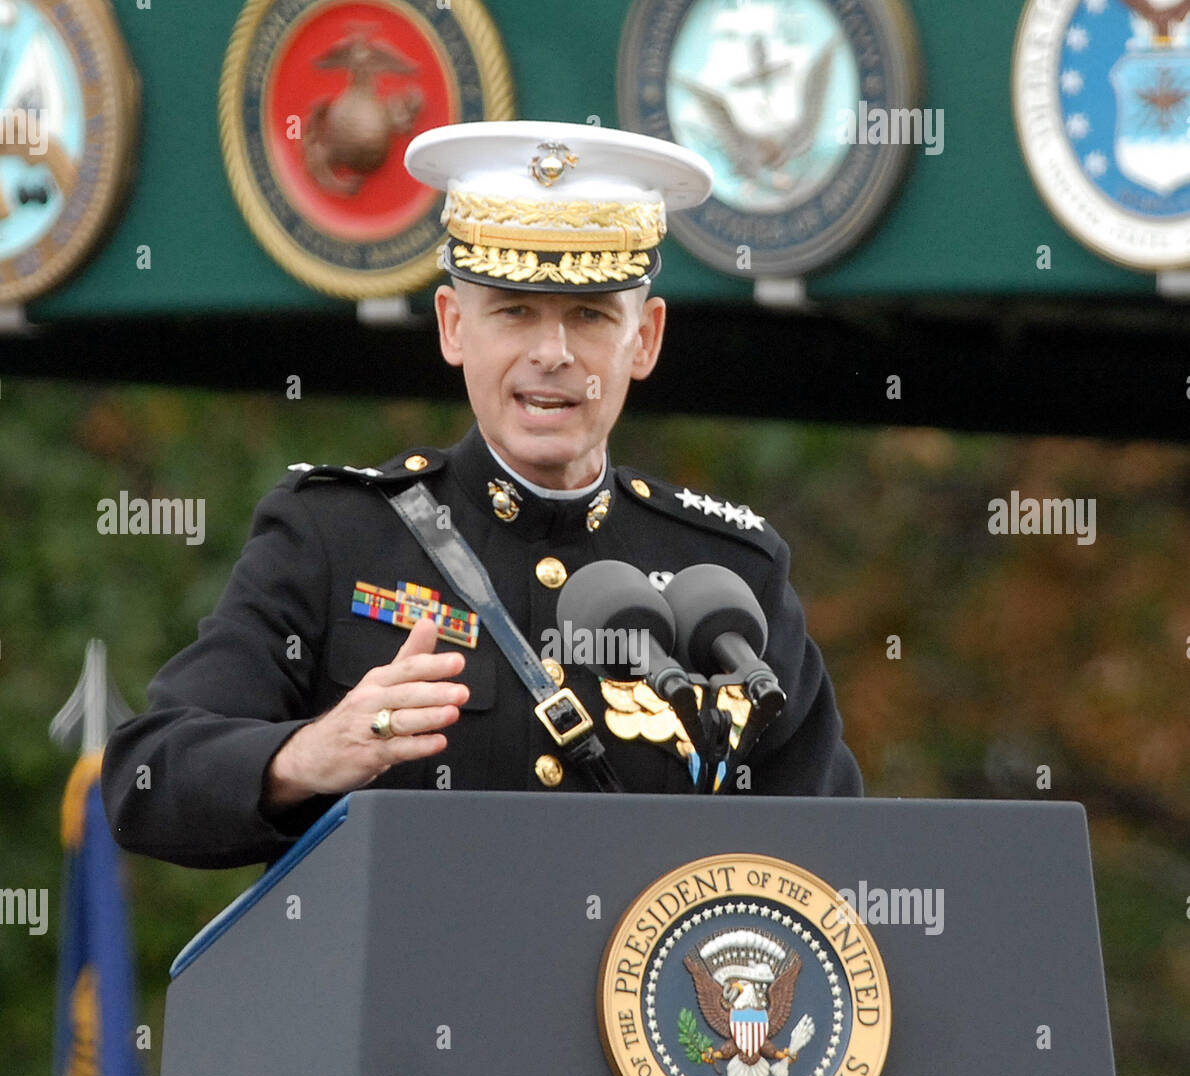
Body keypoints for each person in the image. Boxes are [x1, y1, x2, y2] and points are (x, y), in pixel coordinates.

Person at [101, 121, 861, 871]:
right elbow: (146, 778)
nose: (552, 354)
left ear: (647, 339)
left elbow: (838, 859)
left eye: (591, 315)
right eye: (513, 310)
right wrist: (307, 753)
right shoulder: (335, 538)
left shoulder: (728, 575)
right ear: (453, 326)